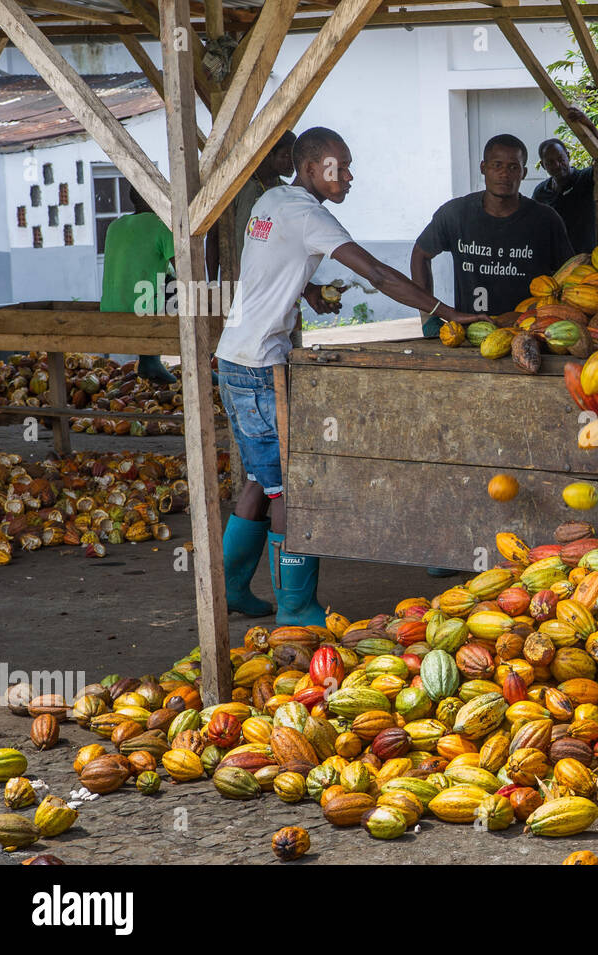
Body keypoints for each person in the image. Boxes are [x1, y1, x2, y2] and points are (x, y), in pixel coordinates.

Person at [215, 127, 486, 624]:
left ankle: (231, 592)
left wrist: (308, 290)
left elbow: (268, 269)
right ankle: (295, 607)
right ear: (314, 167)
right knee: (291, 490)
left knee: (259, 479)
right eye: (341, 165)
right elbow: (378, 275)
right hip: (258, 368)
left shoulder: (271, 201)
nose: (350, 176)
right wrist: (444, 310)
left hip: (234, 358)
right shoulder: (310, 214)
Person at [410, 134, 573, 330]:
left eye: (513, 167)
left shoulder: (546, 220)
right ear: (483, 167)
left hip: (531, 332)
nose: (504, 174)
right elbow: (420, 254)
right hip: (471, 334)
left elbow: (571, 275)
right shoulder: (456, 213)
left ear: (524, 172)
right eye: (497, 165)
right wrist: (428, 315)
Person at [100, 186, 177, 384]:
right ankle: (203, 358)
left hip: (109, 308)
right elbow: (187, 269)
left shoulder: (115, 226)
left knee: (160, 283)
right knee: (188, 289)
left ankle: (149, 360)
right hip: (141, 309)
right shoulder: (162, 226)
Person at [206, 129, 297, 282]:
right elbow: (213, 236)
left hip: (273, 281)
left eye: (294, 156)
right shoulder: (238, 188)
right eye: (286, 155)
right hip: (239, 280)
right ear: (268, 154)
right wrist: (213, 283)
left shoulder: (286, 192)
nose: (292, 162)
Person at [532, 108, 598, 254]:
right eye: (550, 162)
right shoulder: (541, 192)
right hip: (556, 264)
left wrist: (589, 125)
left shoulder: (586, 178)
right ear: (543, 165)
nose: (558, 165)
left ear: (568, 155)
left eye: (560, 159)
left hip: (588, 261)